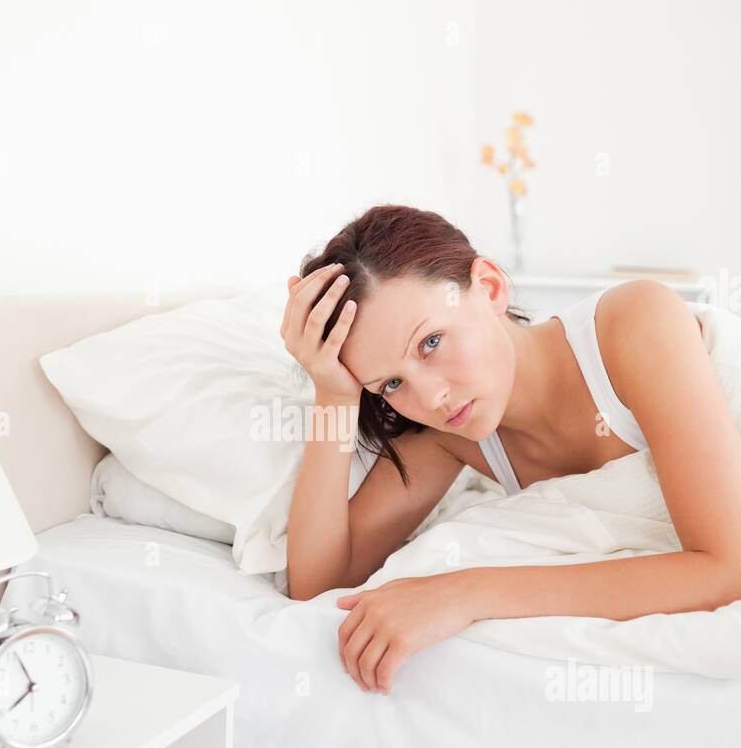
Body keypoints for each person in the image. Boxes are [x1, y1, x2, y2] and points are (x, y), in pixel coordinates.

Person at [281, 204, 741, 694]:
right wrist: (333, 392)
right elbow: (318, 585)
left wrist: (465, 592)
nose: (431, 398)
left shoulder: (635, 322)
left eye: (431, 342)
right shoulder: (450, 436)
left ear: (491, 287)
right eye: (391, 383)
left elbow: (726, 569)